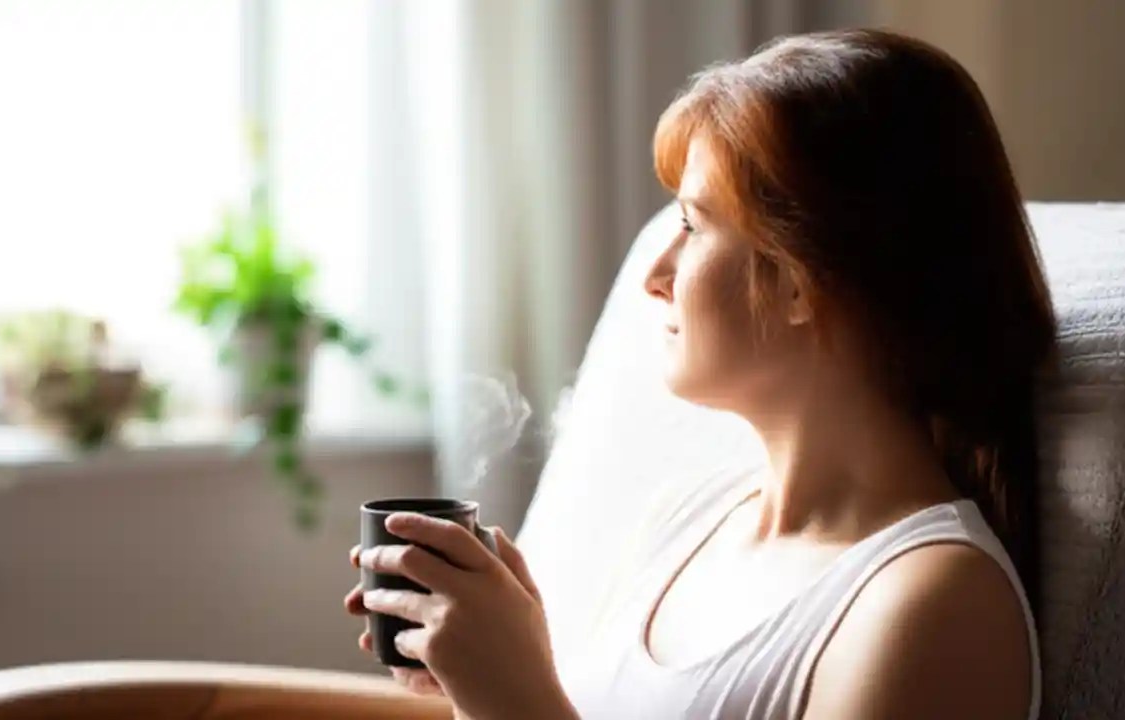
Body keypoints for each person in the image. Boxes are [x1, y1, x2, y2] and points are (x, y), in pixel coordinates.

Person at [344, 28, 1054, 720]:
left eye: (691, 224)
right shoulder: (686, 521)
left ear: (802, 281)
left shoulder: (931, 605)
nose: (655, 277)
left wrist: (516, 701)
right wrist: (485, 672)